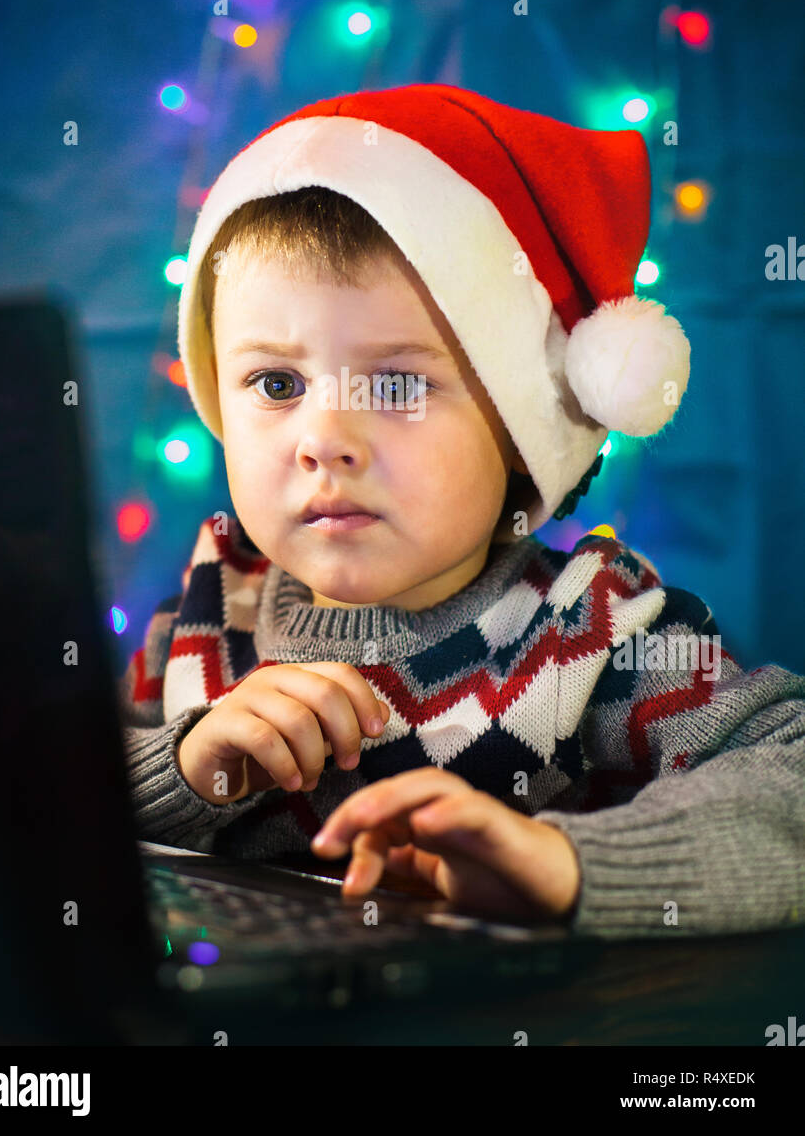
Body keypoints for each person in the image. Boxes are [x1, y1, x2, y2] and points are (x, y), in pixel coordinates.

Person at [117, 83, 805, 939]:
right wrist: (182, 771)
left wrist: (568, 865)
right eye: (277, 383)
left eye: (398, 383)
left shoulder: (592, 634)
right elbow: (37, 800)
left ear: (521, 428)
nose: (324, 439)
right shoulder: (206, 619)